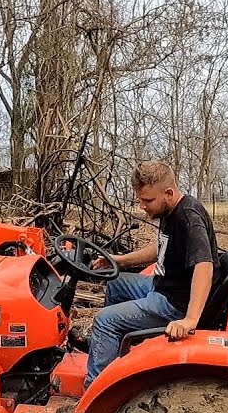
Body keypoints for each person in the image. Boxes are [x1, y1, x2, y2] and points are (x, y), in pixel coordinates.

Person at [83, 160, 219, 389]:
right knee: (116, 283)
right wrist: (118, 260)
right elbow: (160, 249)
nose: (142, 206)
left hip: (174, 303)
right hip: (161, 286)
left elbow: (204, 265)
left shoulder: (189, 217)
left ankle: (93, 392)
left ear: (168, 192)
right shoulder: (170, 211)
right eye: (139, 200)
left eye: (147, 201)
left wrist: (190, 320)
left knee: (104, 320)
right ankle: (112, 350)